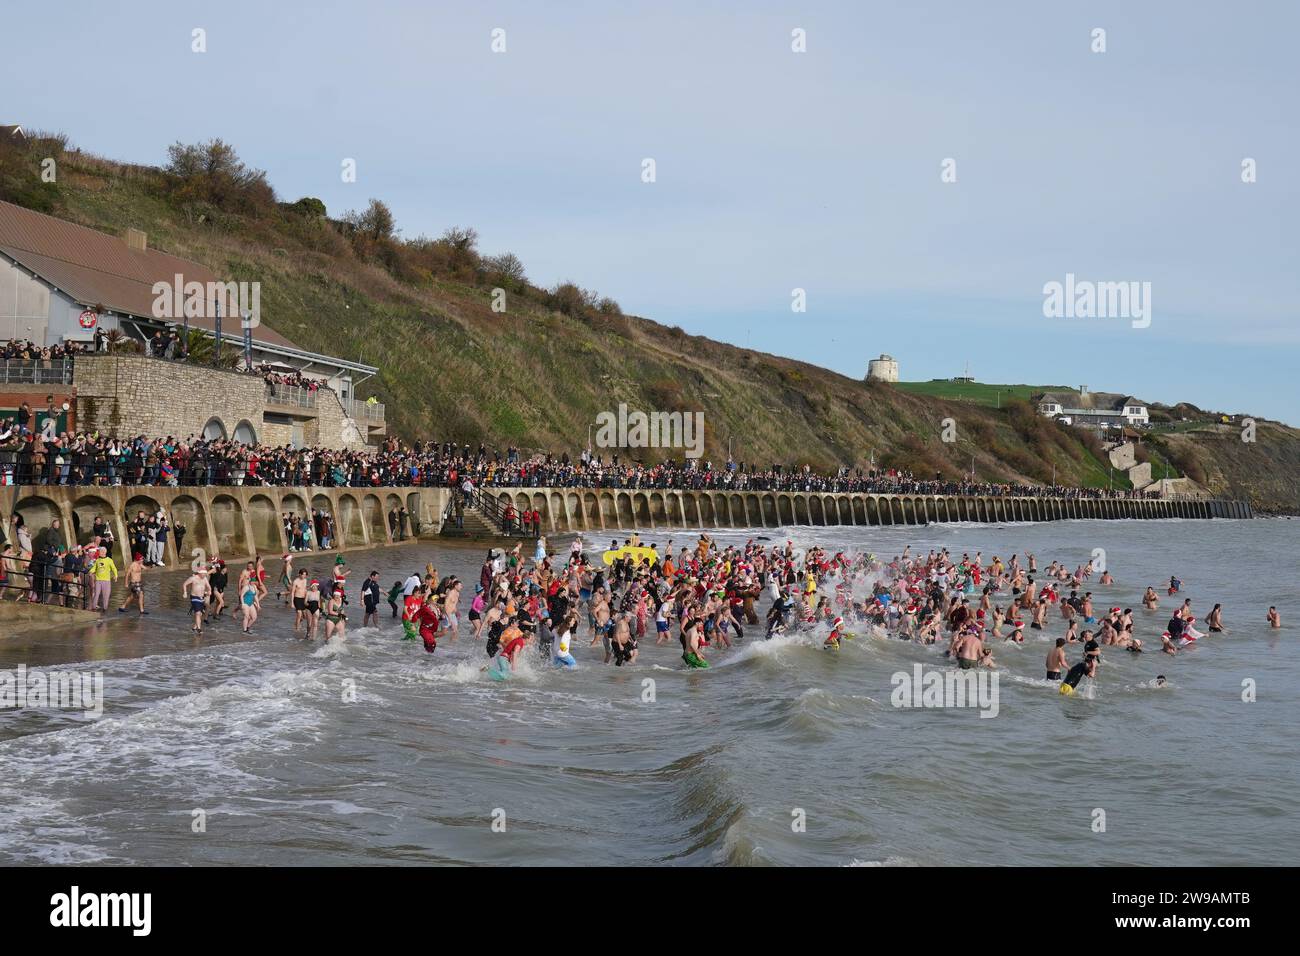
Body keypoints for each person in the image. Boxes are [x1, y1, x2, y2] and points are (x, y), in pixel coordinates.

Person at [88, 546, 118, 614]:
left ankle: (105, 609)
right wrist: (91, 572)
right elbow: (94, 568)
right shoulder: (98, 560)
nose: (99, 553)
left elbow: (114, 568)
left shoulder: (109, 560)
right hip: (98, 580)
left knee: (106, 595)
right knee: (96, 594)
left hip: (106, 580)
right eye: (99, 551)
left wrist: (116, 576)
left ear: (104, 552)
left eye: (100, 551)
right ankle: (93, 608)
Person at [182, 567, 210, 633]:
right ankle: (199, 629)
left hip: (202, 598)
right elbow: (184, 584)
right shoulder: (193, 578)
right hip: (194, 597)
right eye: (204, 573)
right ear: (200, 573)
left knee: (200, 614)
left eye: (205, 573)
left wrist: (209, 591)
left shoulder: (205, 579)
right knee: (198, 613)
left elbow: (209, 586)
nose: (205, 574)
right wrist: (185, 592)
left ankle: (194, 628)